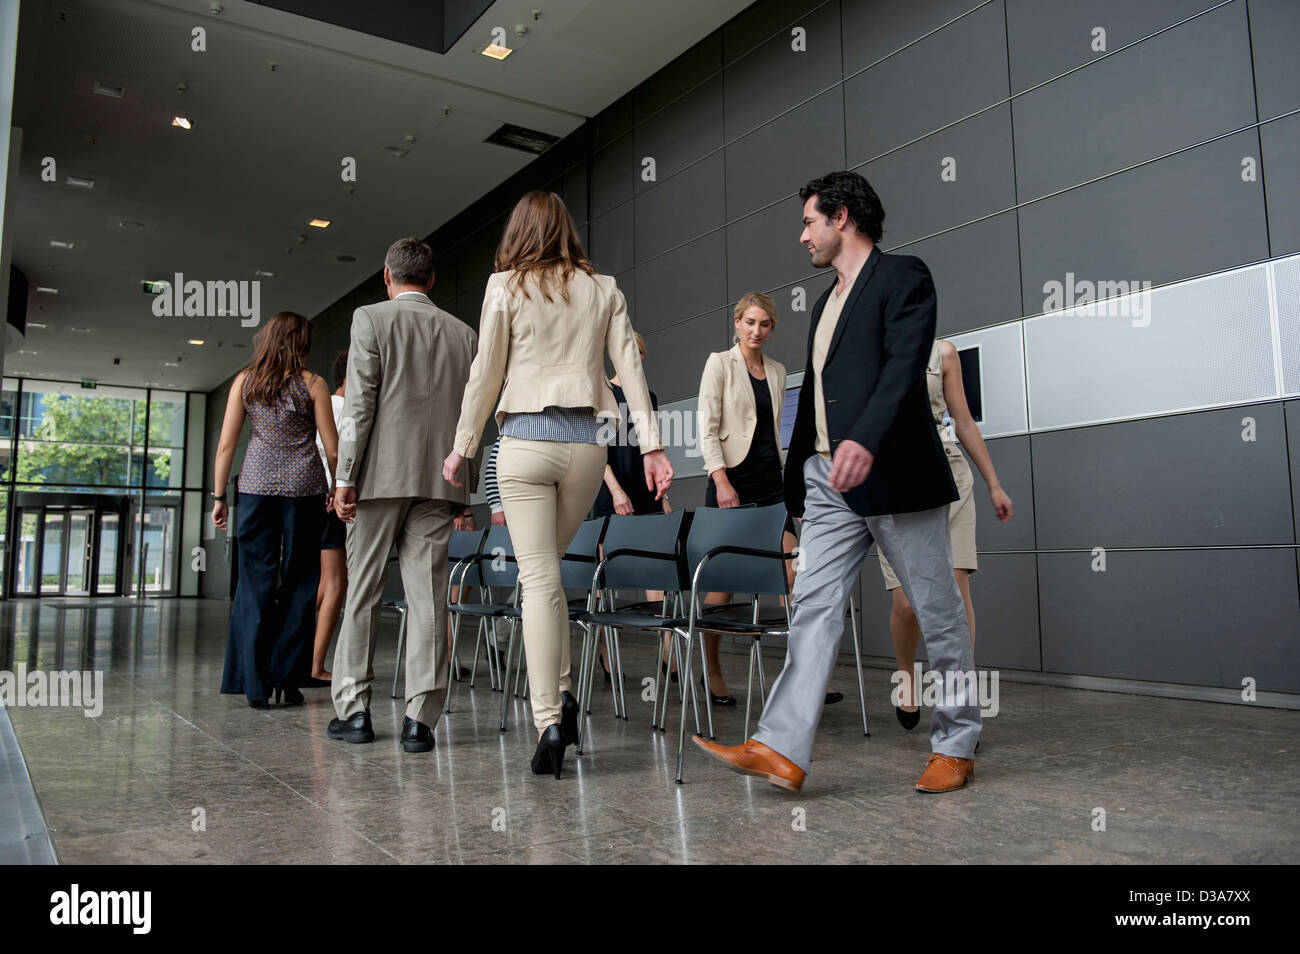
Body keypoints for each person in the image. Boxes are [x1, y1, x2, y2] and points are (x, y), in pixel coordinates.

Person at [694, 170, 981, 795]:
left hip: (893, 473)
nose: (802, 236)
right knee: (813, 610)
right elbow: (818, 397)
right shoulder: (823, 303)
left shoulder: (905, 276)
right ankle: (782, 748)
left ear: (842, 216)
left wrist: (866, 438)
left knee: (936, 609)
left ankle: (956, 743)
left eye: (808, 222)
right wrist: (802, 480)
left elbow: (905, 368)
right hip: (827, 480)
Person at [443, 189, 673, 779]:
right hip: (586, 450)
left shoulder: (504, 287)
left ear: (519, 231)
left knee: (538, 579)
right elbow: (631, 370)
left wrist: (462, 446)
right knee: (549, 578)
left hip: (523, 446)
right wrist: (651, 445)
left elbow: (484, 373)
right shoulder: (604, 288)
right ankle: (565, 695)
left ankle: (550, 717)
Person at [327, 237, 478, 754]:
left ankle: (355, 711)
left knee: (363, 591)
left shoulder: (369, 318)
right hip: (441, 480)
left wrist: (344, 476)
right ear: (432, 280)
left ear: (386, 276)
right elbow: (471, 413)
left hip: (377, 480)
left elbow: (360, 404)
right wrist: (465, 490)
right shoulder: (464, 334)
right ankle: (421, 721)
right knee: (429, 597)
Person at [886, 338, 1013, 729]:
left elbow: (963, 420)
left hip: (949, 476)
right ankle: (906, 676)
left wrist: (993, 483)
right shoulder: (868, 349)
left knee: (955, 596)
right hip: (893, 485)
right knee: (908, 605)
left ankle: (957, 702)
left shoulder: (943, 353)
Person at [214, 311, 337, 709]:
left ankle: (254, 685)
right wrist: (339, 489)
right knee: (301, 581)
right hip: (305, 489)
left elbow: (227, 445)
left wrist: (219, 498)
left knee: (254, 583)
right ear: (301, 343)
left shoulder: (245, 382)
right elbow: (332, 447)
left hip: (254, 490)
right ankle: (288, 678)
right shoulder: (313, 384)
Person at [696, 292, 804, 706]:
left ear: (772, 328)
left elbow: (774, 430)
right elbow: (707, 428)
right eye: (749, 322)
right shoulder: (718, 363)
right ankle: (712, 668)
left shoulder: (777, 370)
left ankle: (803, 675)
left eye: (764, 324)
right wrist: (721, 481)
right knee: (724, 581)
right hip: (732, 480)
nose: (756, 331)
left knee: (793, 571)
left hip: (770, 481)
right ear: (736, 323)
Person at [588, 330, 671, 684]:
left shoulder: (648, 397)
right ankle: (608, 656)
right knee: (607, 581)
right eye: (627, 353)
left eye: (639, 354)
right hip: (611, 492)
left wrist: (664, 496)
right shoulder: (600, 392)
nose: (633, 359)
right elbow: (598, 453)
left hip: (646, 490)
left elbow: (652, 449)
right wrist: (617, 492)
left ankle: (669, 654)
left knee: (659, 575)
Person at [306, 348, 350, 686]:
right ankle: (317, 666)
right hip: (334, 501)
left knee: (322, 584)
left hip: (311, 498)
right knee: (336, 585)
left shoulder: (320, 403)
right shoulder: (346, 409)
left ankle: (304, 656)